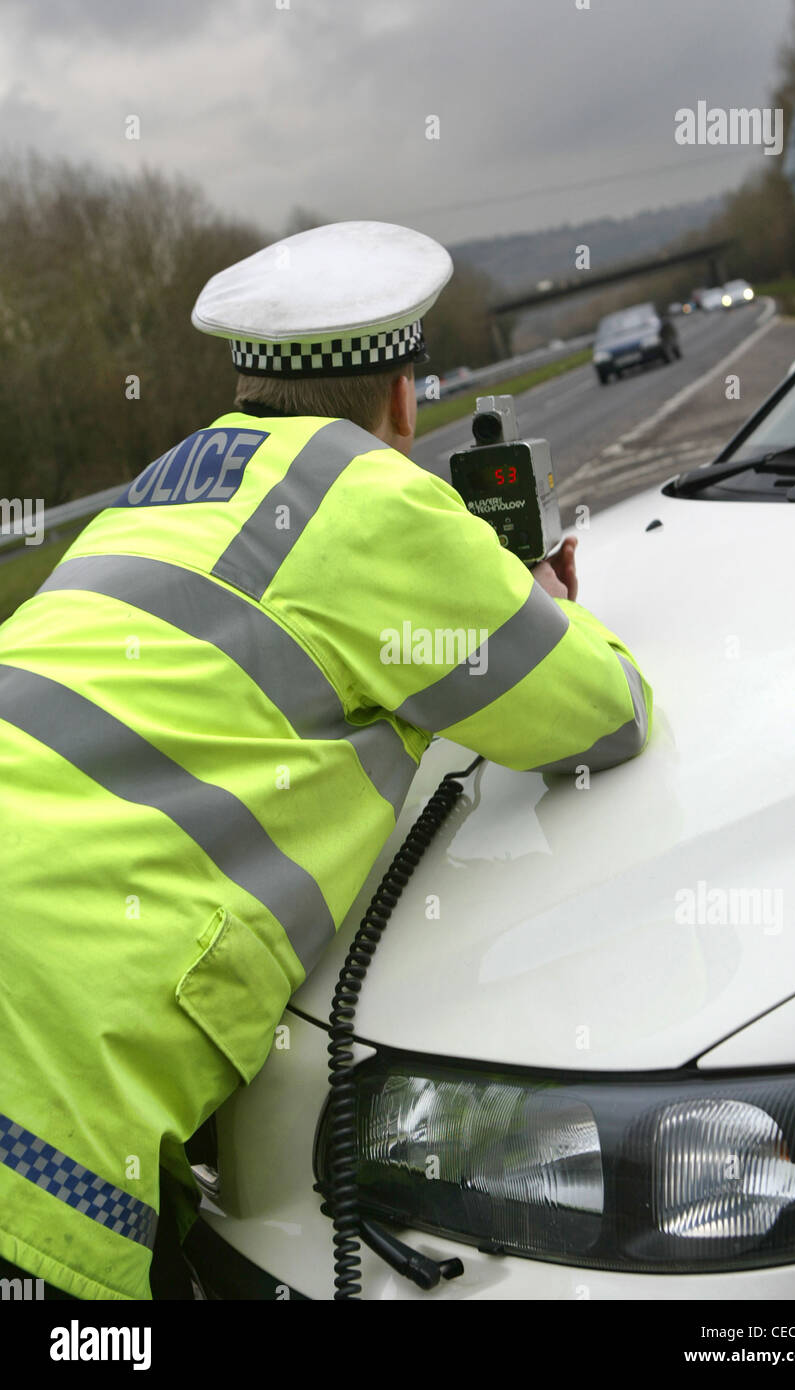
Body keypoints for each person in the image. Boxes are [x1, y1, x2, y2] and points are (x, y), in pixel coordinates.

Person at [0, 220, 652, 1300]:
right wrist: (535, 601)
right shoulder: (376, 500)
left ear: (245, 381)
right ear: (403, 397)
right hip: (42, 1086)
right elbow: (604, 712)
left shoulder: (153, 489)